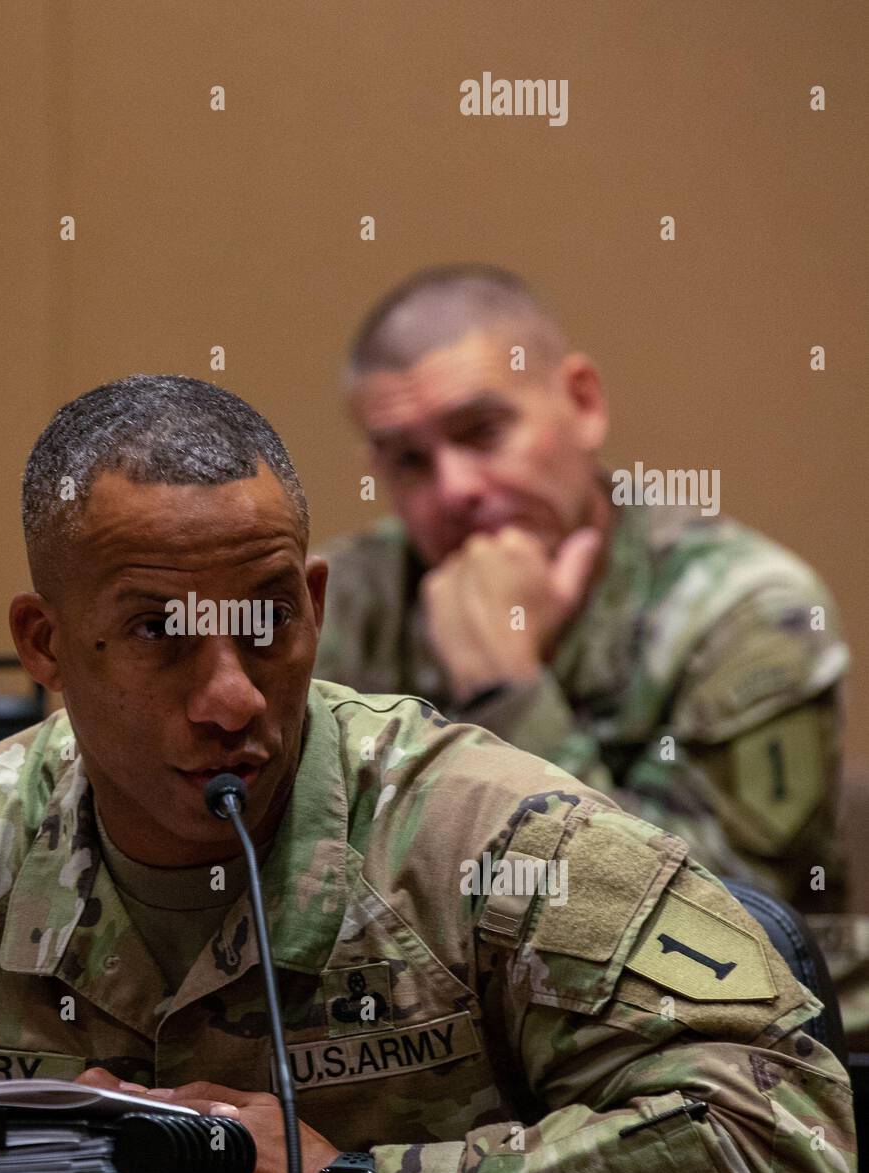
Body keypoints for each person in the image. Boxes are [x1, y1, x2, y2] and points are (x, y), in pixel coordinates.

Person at [0, 375, 857, 1173]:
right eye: (153, 635)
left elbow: (788, 1140)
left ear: (308, 597)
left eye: (267, 621)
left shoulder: (485, 841)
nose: (232, 696)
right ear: (44, 645)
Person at [314, 265, 864, 1043]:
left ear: (582, 401)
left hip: (716, 1045)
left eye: (481, 432)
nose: (456, 488)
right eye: (409, 462)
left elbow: (717, 932)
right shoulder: (350, 603)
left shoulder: (745, 610)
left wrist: (506, 692)